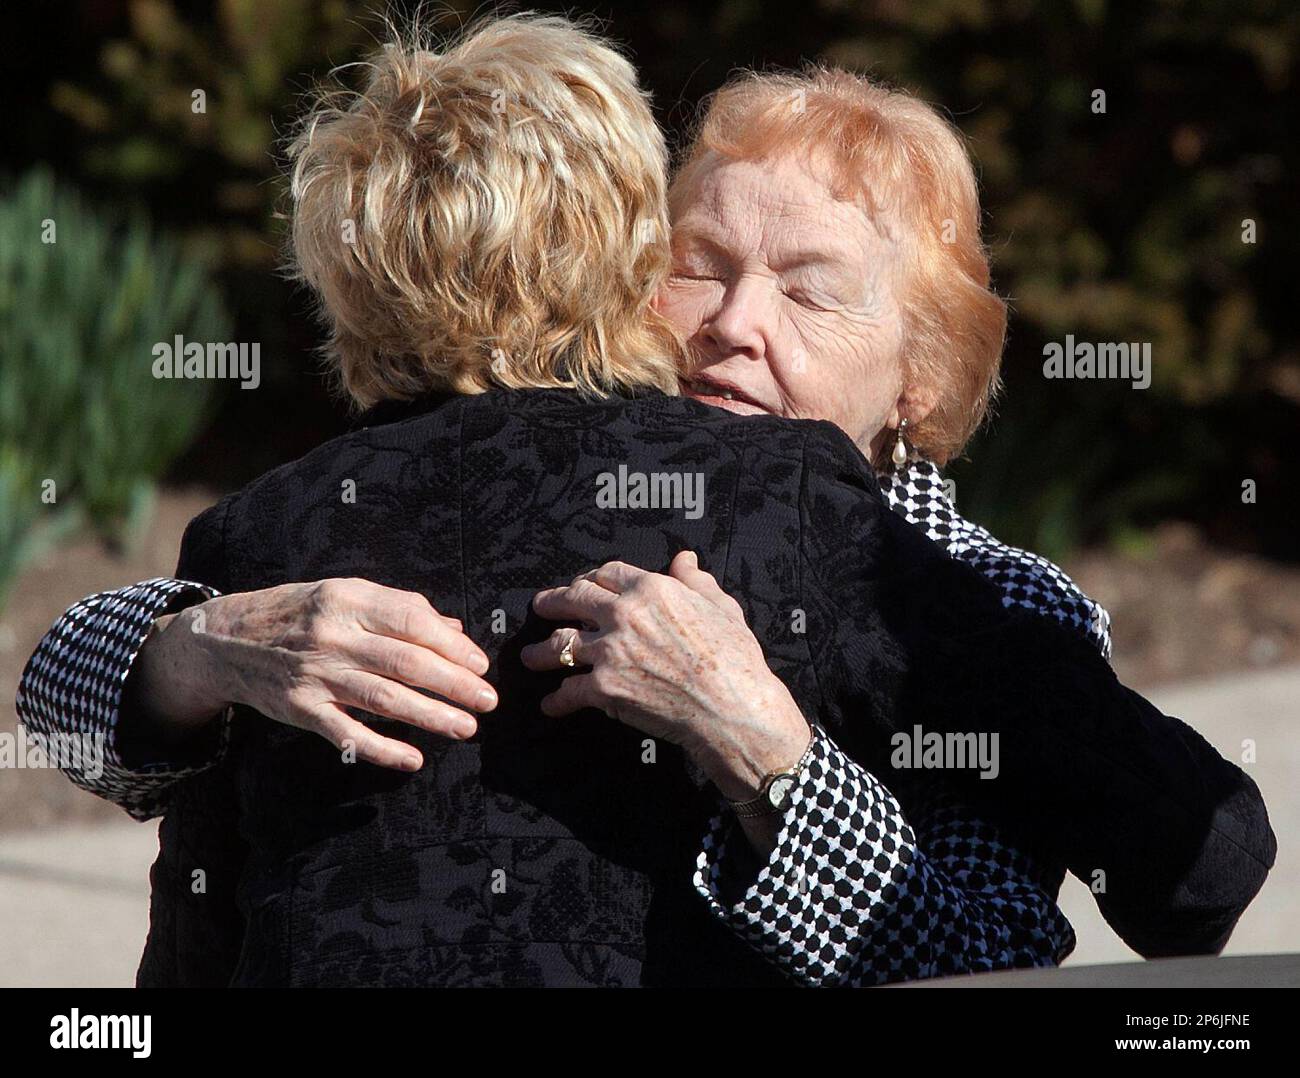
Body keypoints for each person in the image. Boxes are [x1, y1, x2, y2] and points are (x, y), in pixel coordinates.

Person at [16, 18, 1272, 983]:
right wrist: (196, 646)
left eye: (809, 290)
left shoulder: (985, 598)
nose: (733, 323)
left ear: (923, 374)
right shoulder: (492, 492)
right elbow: (81, 724)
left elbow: (995, 959)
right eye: (699, 266)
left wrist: (768, 752)